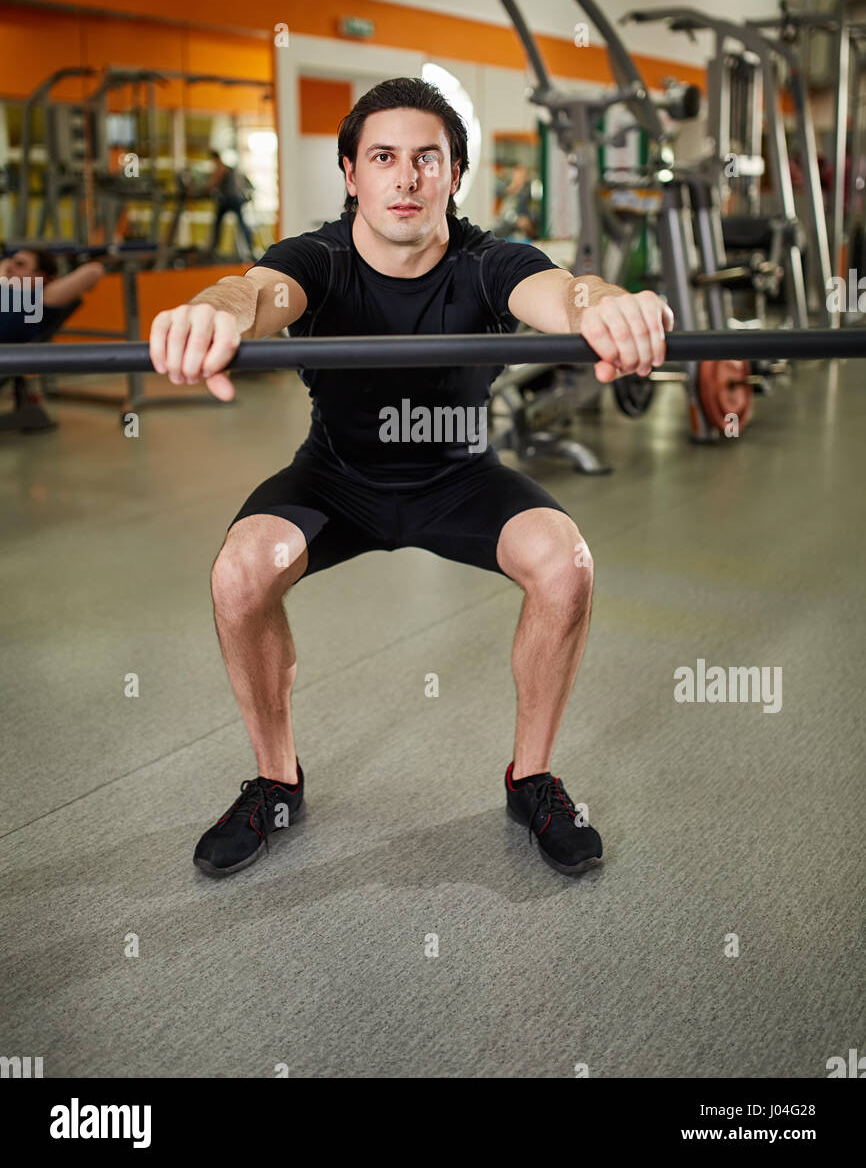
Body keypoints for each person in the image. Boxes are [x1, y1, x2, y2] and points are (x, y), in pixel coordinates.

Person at [148, 77, 673, 880]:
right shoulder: (315, 260)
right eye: (384, 157)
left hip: (460, 480)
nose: (406, 177)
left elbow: (563, 293)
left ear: (455, 174)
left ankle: (531, 778)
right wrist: (215, 310)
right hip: (337, 481)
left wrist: (603, 305)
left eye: (427, 158)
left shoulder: (489, 261)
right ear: (352, 173)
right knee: (239, 571)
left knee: (565, 564)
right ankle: (276, 781)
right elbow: (256, 293)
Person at [0, 247, 104, 345]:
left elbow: (94, 270)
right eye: (10, 262)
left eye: (20, 264)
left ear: (41, 276)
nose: (9, 267)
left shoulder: (42, 297)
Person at [206, 149, 255, 262]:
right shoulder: (228, 168)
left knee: (219, 223)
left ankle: (214, 248)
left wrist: (206, 190)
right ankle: (249, 246)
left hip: (230, 199)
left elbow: (214, 182)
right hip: (233, 198)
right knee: (240, 224)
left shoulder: (221, 167)